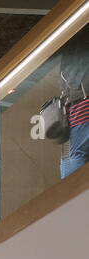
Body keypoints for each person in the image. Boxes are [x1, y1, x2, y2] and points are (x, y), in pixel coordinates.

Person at [59, 30, 89, 178]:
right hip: (80, 103)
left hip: (81, 105)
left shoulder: (76, 39)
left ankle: (71, 196)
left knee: (74, 157)